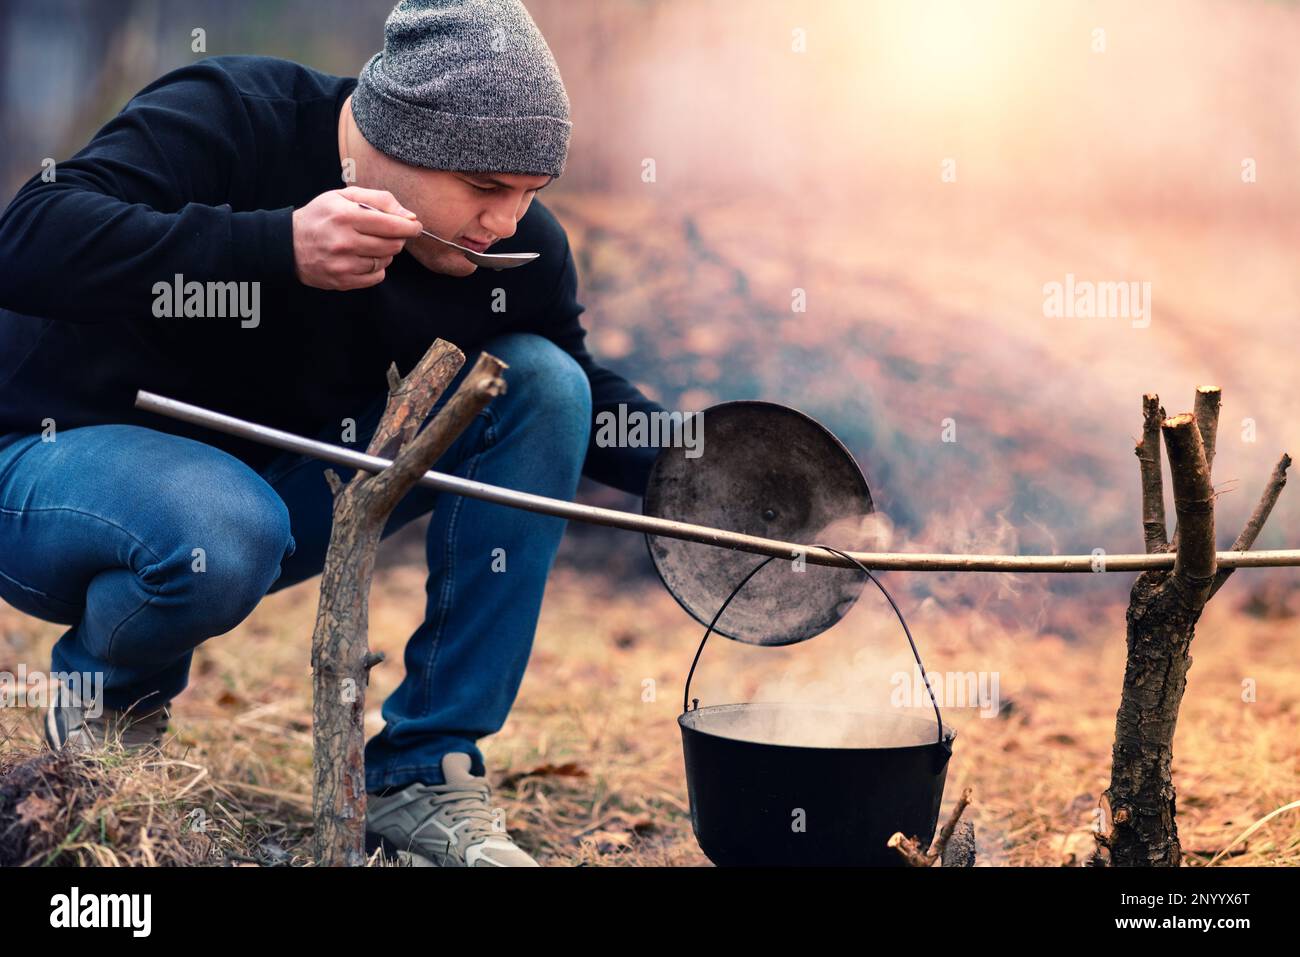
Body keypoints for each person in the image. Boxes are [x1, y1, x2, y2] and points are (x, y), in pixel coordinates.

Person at [0, 0, 666, 867]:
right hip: (47, 464)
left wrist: (707, 464)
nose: (506, 222)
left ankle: (425, 772)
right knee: (223, 521)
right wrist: (271, 246)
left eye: (530, 194)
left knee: (544, 382)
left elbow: (575, 394)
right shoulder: (234, 113)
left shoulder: (504, 248)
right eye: (486, 189)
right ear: (398, 134)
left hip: (265, 498)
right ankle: (110, 700)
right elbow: (28, 239)